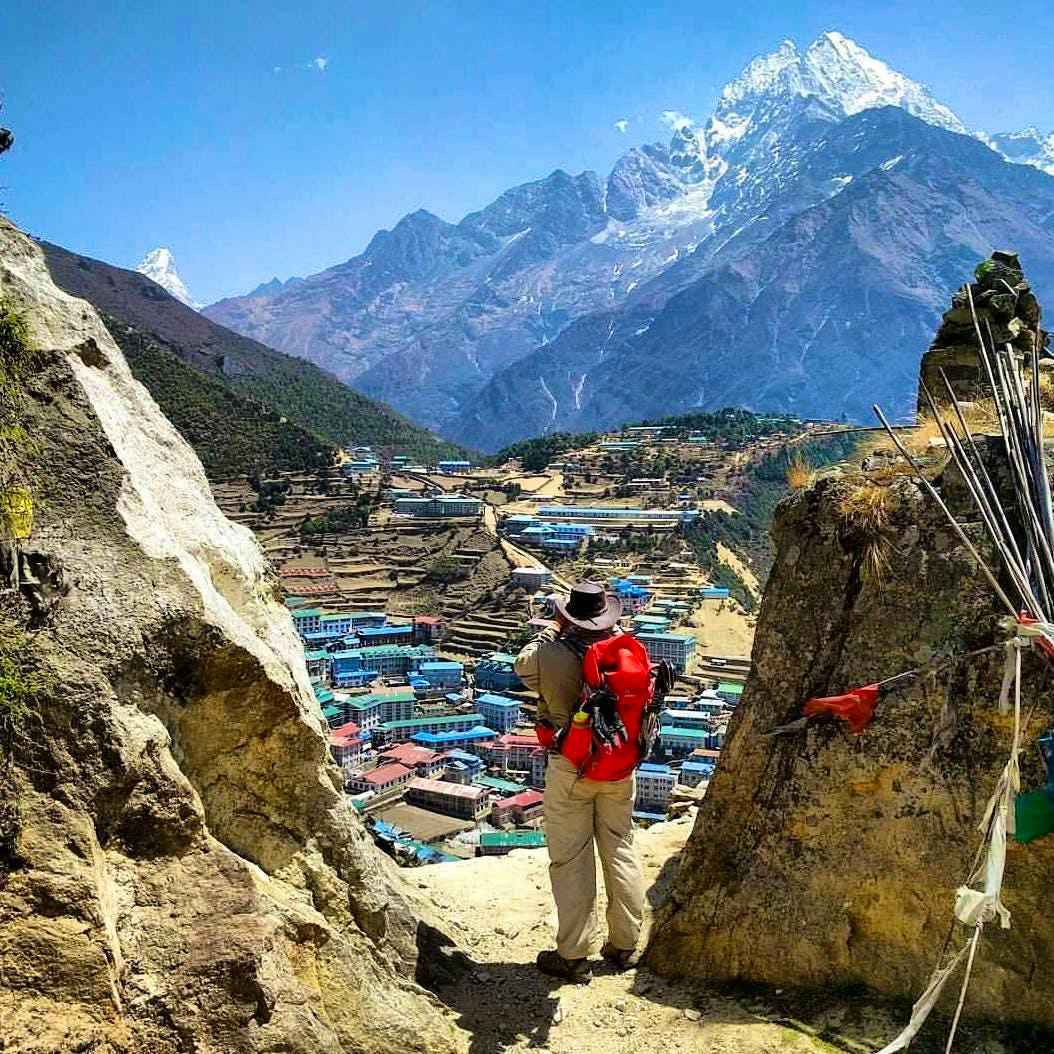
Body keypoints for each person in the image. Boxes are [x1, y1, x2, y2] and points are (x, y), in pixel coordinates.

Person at [514, 581, 645, 984]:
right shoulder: (625, 650)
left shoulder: (550, 654)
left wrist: (552, 626)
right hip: (620, 764)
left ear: (568, 615)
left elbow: (522, 665)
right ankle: (625, 944)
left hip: (571, 764)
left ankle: (573, 954)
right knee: (620, 847)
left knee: (571, 859)